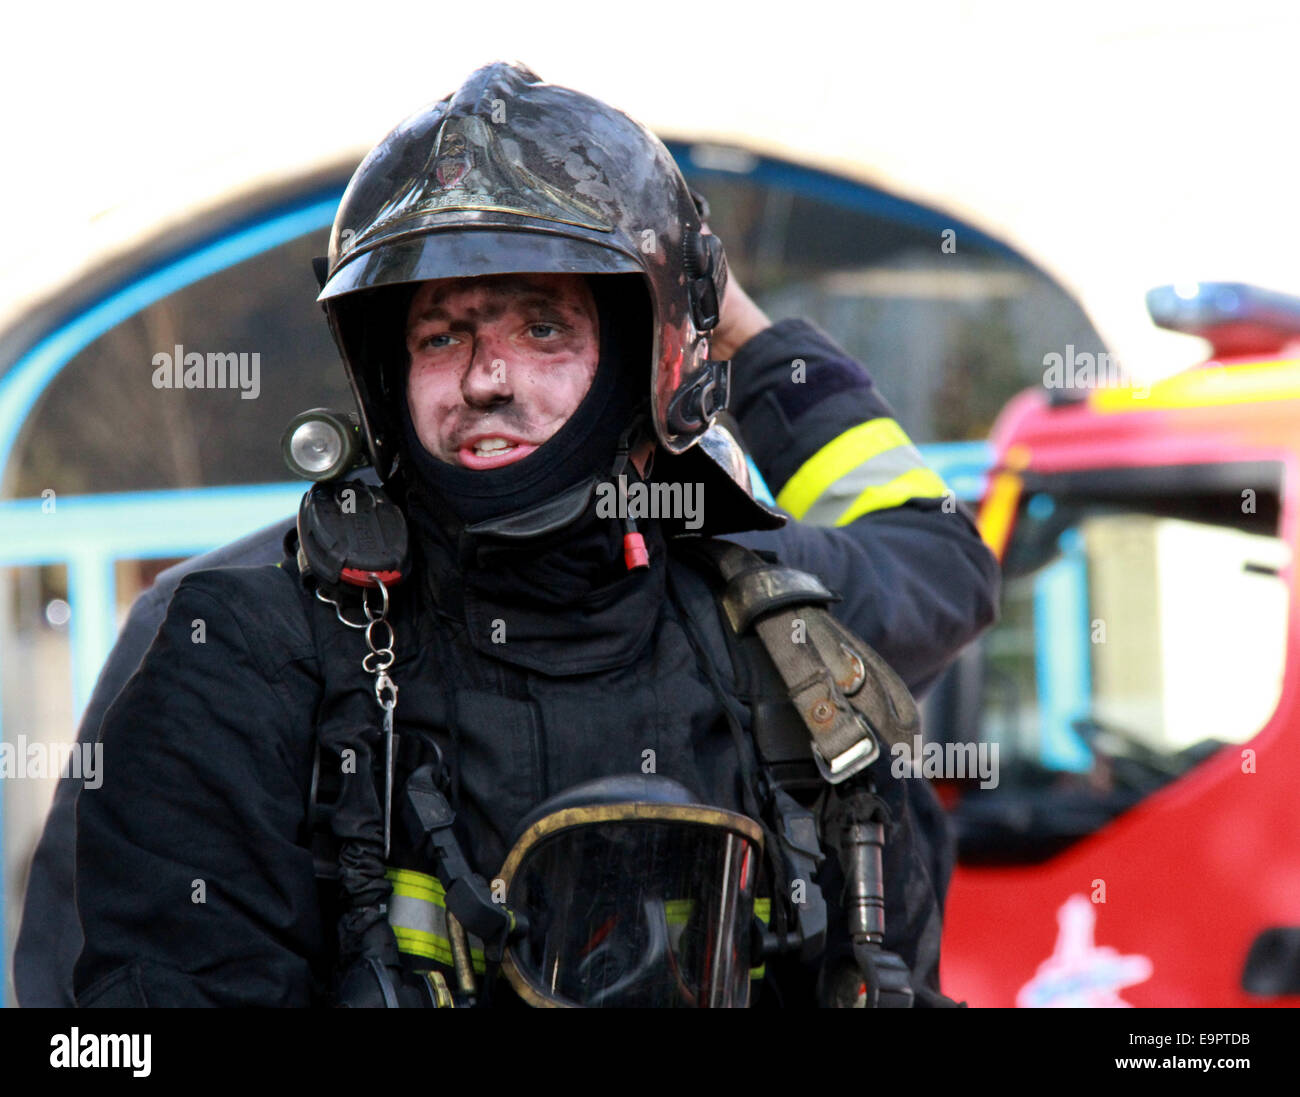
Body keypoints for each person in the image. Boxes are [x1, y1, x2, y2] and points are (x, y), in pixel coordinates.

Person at [39, 62, 998, 1008]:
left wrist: (721, 316)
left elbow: (943, 560)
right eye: (442, 335)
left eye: (544, 328)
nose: (488, 376)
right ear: (387, 376)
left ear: (646, 358)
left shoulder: (775, 631)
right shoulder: (237, 653)